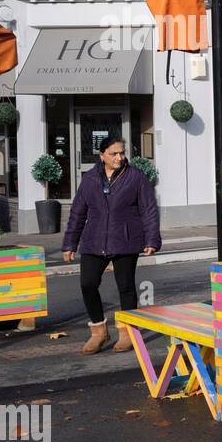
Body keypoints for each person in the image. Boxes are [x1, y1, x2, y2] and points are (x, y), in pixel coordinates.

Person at [61, 137, 160, 355]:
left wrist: (152, 239)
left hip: (126, 239)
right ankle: (99, 332)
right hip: (94, 240)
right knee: (88, 284)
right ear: (102, 156)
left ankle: (127, 333)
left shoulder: (136, 177)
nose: (119, 157)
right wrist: (70, 243)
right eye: (114, 154)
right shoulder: (89, 179)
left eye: (122, 153)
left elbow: (149, 210)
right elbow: (77, 212)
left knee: (125, 287)